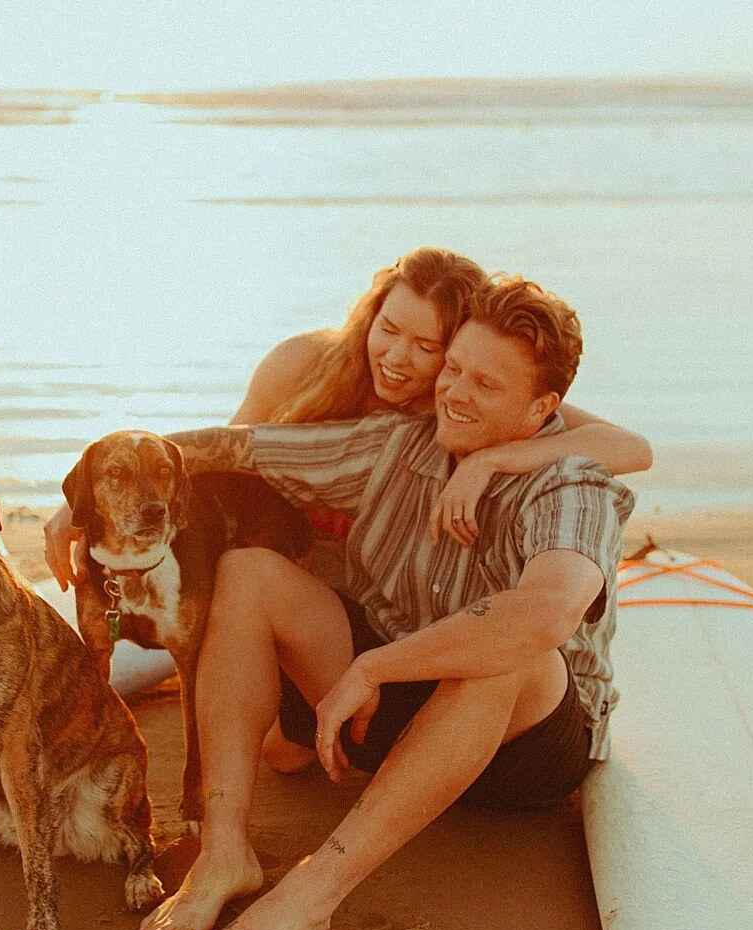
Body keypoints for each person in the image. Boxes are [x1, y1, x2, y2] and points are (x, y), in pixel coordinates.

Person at [135, 274, 635, 930]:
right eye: (453, 368)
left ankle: (310, 898)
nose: (455, 393)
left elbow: (546, 615)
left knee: (507, 651)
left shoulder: (572, 484)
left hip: (520, 749)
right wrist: (94, 478)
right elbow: (237, 447)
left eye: (484, 385)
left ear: (542, 408)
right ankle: (223, 853)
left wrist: (377, 667)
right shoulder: (397, 443)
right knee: (249, 573)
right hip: (391, 713)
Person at [42, 246, 650, 771]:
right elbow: (216, 467)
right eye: (388, 328)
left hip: (349, 588)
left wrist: (492, 463)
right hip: (256, 567)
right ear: (370, 314)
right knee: (171, 677)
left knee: (289, 747)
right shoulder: (304, 363)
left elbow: (631, 448)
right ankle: (183, 659)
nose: (397, 355)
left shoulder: (450, 417)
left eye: (426, 345)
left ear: (457, 349)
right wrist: (88, 494)